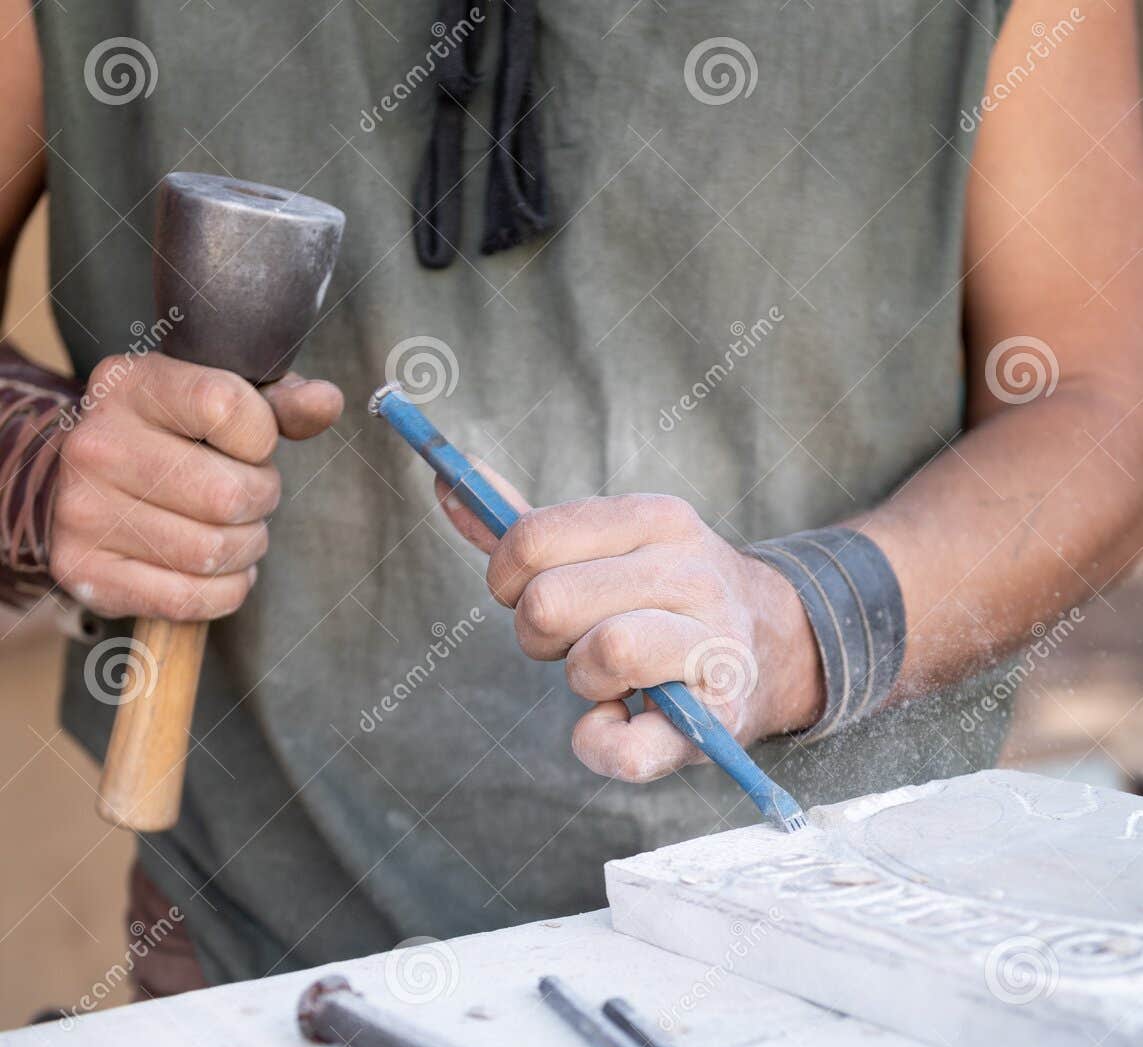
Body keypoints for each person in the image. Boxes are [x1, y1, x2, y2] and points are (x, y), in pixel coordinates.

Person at [2, 0, 1141, 993]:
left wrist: (798, 621)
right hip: (260, 964)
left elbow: (1108, 406)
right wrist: (43, 471)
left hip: (841, 953)